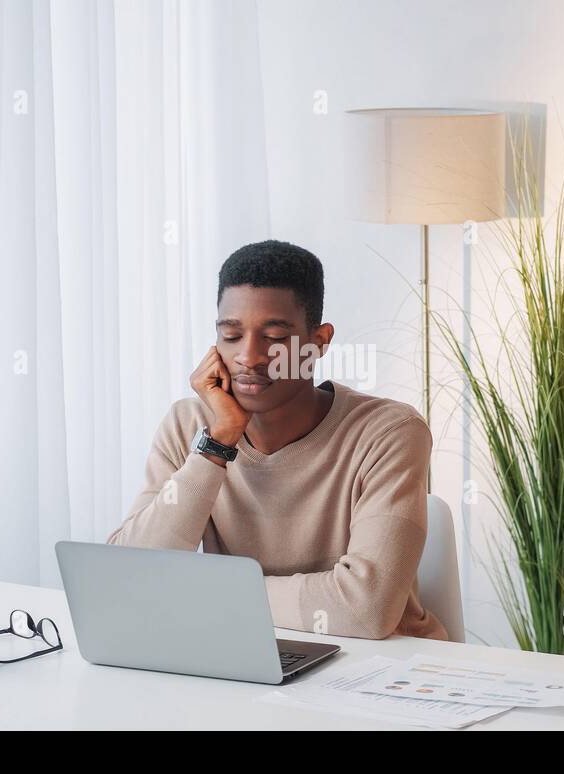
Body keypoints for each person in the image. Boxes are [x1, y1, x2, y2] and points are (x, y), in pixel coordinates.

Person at [108, 239, 448, 640]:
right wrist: (217, 444)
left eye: (273, 337)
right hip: (245, 652)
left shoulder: (388, 432)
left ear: (318, 342)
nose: (249, 357)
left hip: (383, 664)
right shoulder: (190, 425)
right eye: (231, 335)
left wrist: (198, 591)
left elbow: (366, 610)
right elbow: (131, 576)